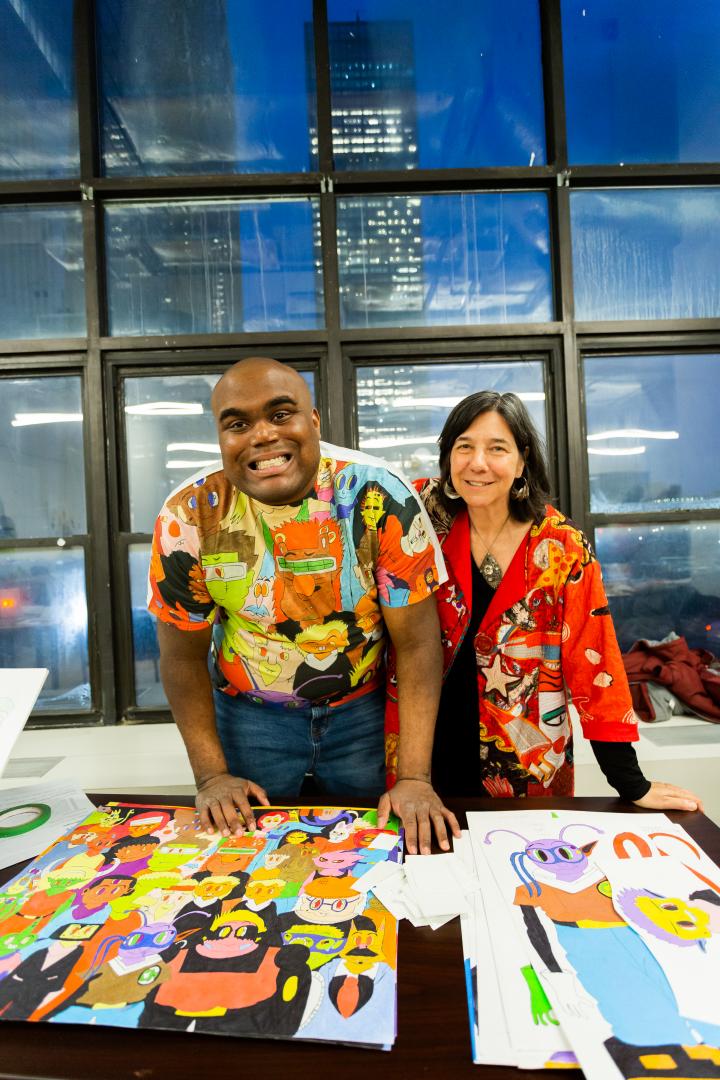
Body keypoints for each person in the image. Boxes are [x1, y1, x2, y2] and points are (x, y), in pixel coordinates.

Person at [148, 357, 460, 855]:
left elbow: (419, 643)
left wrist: (416, 776)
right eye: (237, 424)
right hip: (248, 718)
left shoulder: (378, 495)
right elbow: (181, 657)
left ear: (313, 421)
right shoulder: (189, 515)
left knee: (369, 855)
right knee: (249, 865)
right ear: (220, 437)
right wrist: (211, 775)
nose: (262, 436)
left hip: (362, 713)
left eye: (280, 414)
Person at [385, 391, 704, 811]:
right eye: (464, 447)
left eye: (497, 449)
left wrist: (631, 783)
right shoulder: (419, 518)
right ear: (447, 457)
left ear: (521, 461)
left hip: (523, 761)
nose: (477, 463)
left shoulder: (562, 547)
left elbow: (595, 662)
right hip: (417, 754)